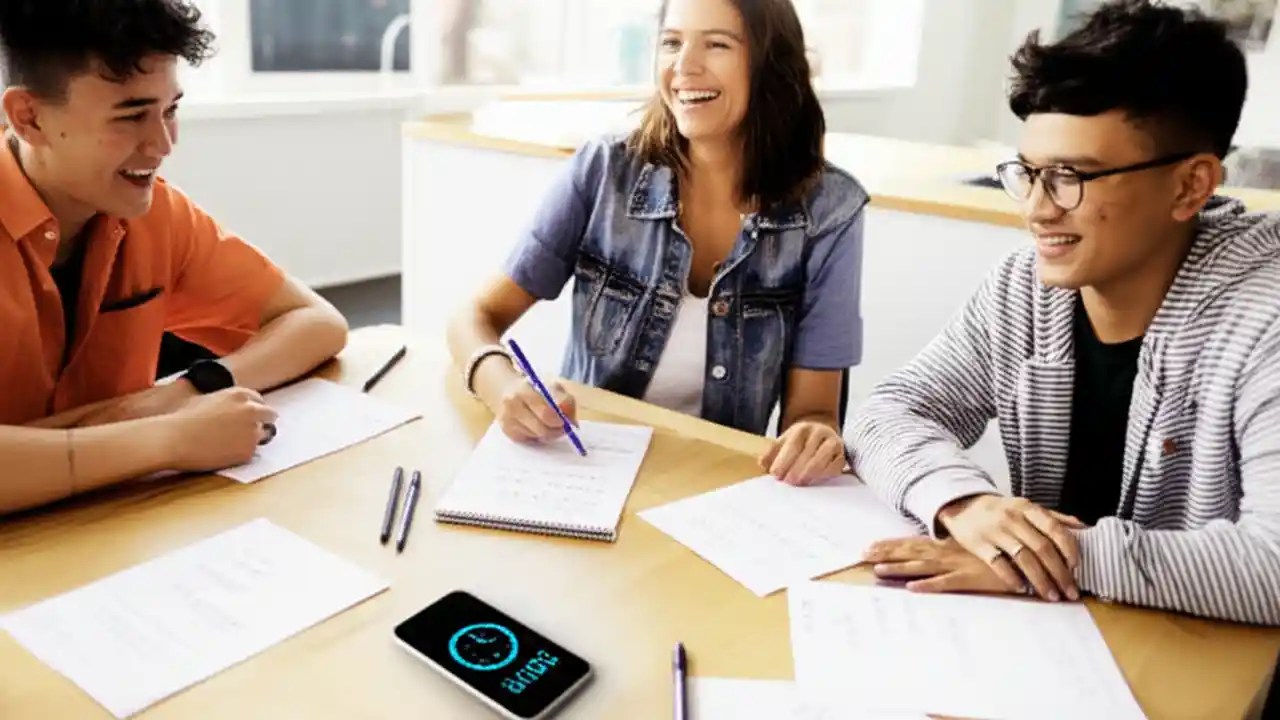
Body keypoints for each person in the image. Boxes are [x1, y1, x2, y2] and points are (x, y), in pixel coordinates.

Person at [851, 0, 1280, 625]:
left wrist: (1048, 559)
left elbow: (1273, 566)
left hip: (1204, 665)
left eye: (1071, 176)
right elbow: (889, 411)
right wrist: (963, 502)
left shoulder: (1266, 318)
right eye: (1028, 173)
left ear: (1190, 185)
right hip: (1055, 638)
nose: (1037, 209)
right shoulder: (1025, 288)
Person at [448, 0, 867, 486]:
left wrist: (814, 439)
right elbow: (473, 319)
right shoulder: (605, 170)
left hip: (710, 487)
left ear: (771, 61)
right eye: (671, 42)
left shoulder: (829, 210)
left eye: (716, 44)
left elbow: (814, 412)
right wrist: (500, 384)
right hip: (581, 472)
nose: (684, 67)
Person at [0, 0, 348, 514]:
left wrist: (188, 389)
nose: (163, 144)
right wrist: (167, 439)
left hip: (111, 518)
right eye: (132, 116)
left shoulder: (156, 213)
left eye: (171, 110)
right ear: (29, 118)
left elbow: (318, 323)